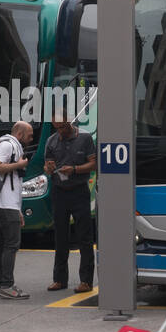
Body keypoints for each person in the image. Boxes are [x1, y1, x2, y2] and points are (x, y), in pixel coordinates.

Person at [44, 112, 96, 293]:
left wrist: (74, 169)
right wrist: (49, 168)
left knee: (84, 237)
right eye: (56, 128)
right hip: (59, 192)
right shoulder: (51, 141)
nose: (60, 132)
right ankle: (59, 279)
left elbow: (93, 164)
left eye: (62, 128)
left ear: (69, 123)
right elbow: (47, 164)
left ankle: (86, 281)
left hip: (79, 191)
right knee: (60, 236)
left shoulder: (85, 138)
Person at [0, 120, 33, 299]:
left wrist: (19, 209)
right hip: (5, 203)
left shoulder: (13, 146)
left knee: (1, 244)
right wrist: (19, 165)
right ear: (20, 134)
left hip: (8, 204)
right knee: (11, 245)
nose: (31, 139)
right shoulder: (7, 145)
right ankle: (7, 285)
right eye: (29, 136)